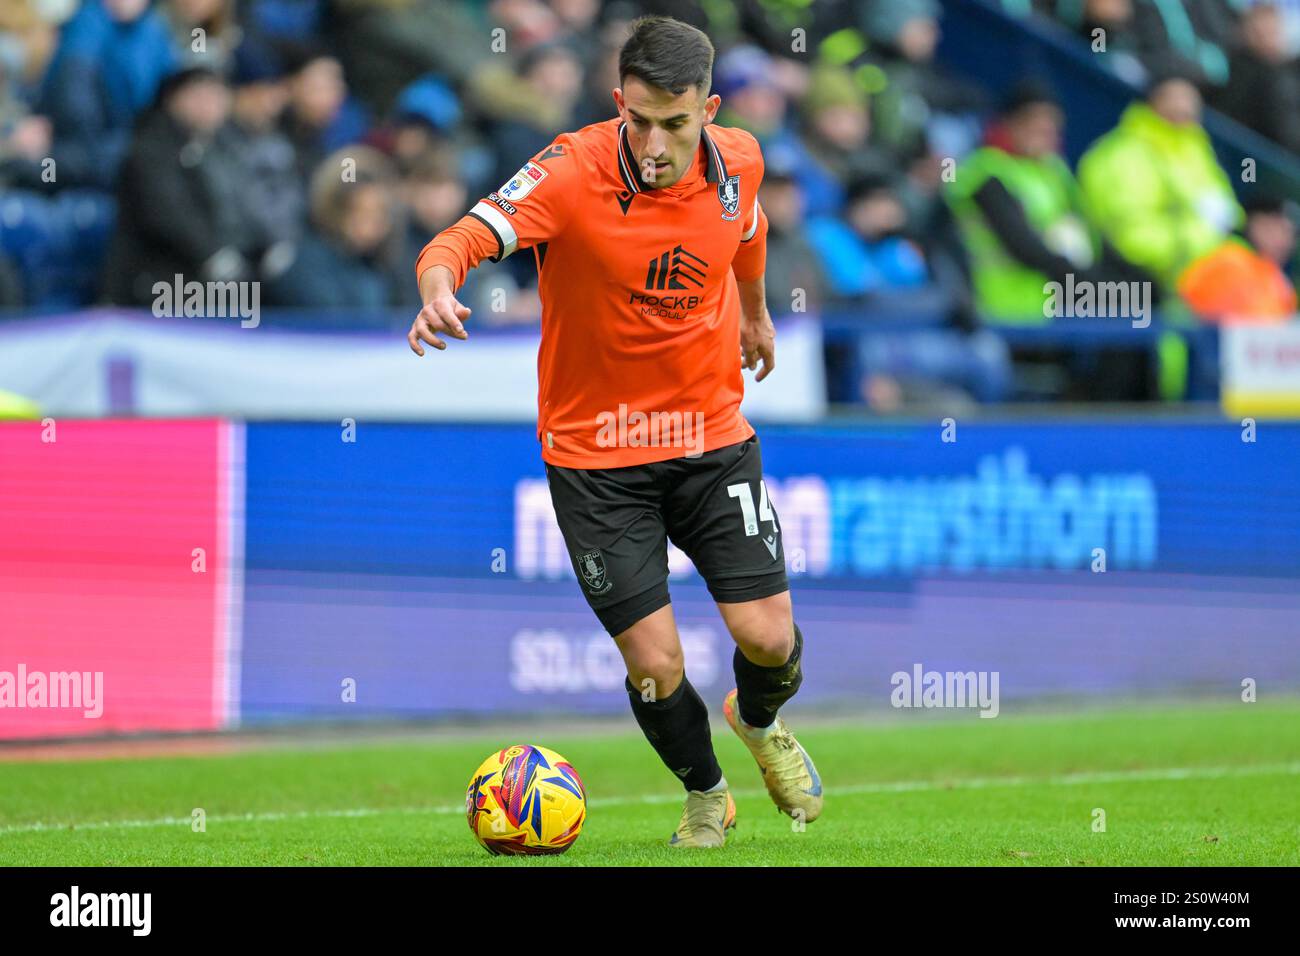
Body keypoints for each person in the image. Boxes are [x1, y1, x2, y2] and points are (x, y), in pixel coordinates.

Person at [410, 15, 820, 849]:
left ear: (709, 109)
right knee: (656, 665)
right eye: (640, 121)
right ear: (617, 104)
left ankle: (758, 717)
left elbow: (748, 236)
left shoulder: (740, 160)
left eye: (677, 123)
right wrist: (438, 287)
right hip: (597, 459)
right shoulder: (567, 170)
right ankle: (707, 794)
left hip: (709, 436)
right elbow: (459, 238)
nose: (657, 142)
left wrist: (756, 314)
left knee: (768, 638)